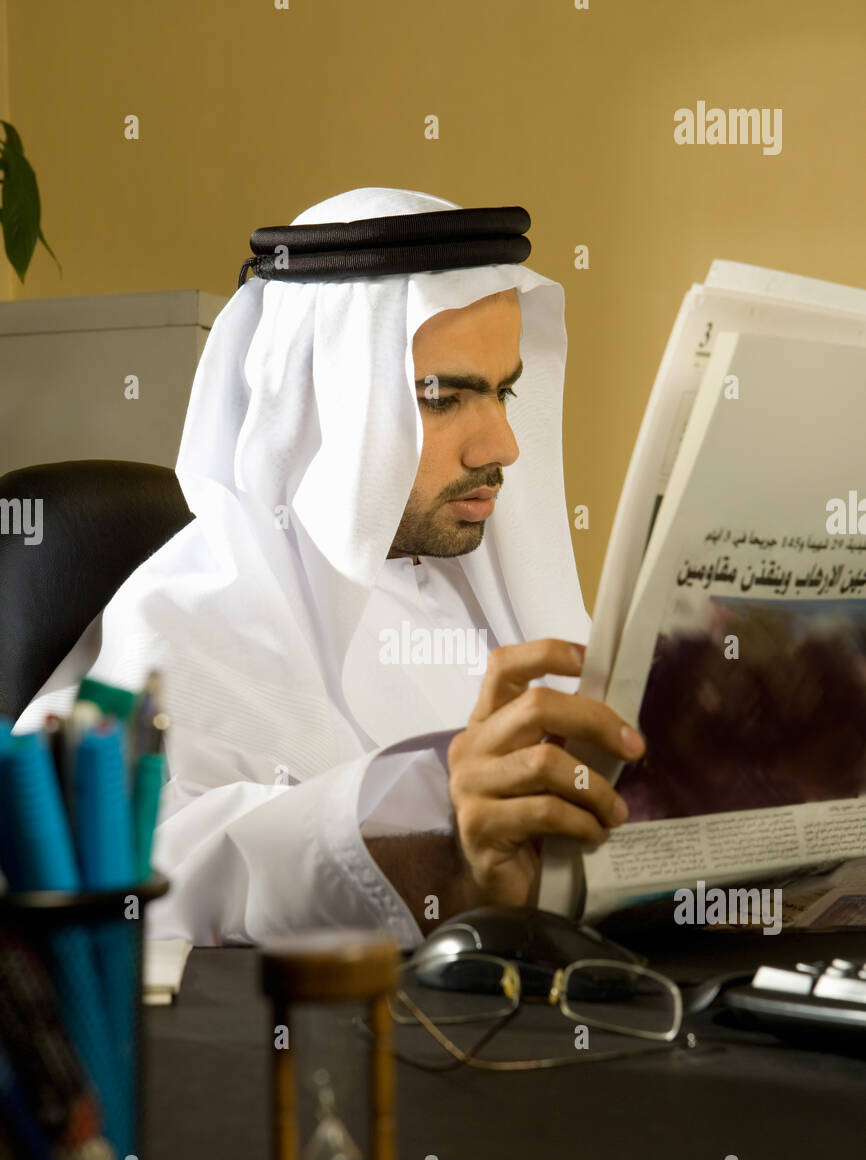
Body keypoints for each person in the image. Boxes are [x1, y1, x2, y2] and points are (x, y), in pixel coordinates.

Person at [14, 187, 644, 947]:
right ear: (320, 402)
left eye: (505, 391)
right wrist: (437, 857)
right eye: (443, 398)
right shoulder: (183, 617)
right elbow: (119, 870)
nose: (502, 446)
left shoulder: (499, 610)